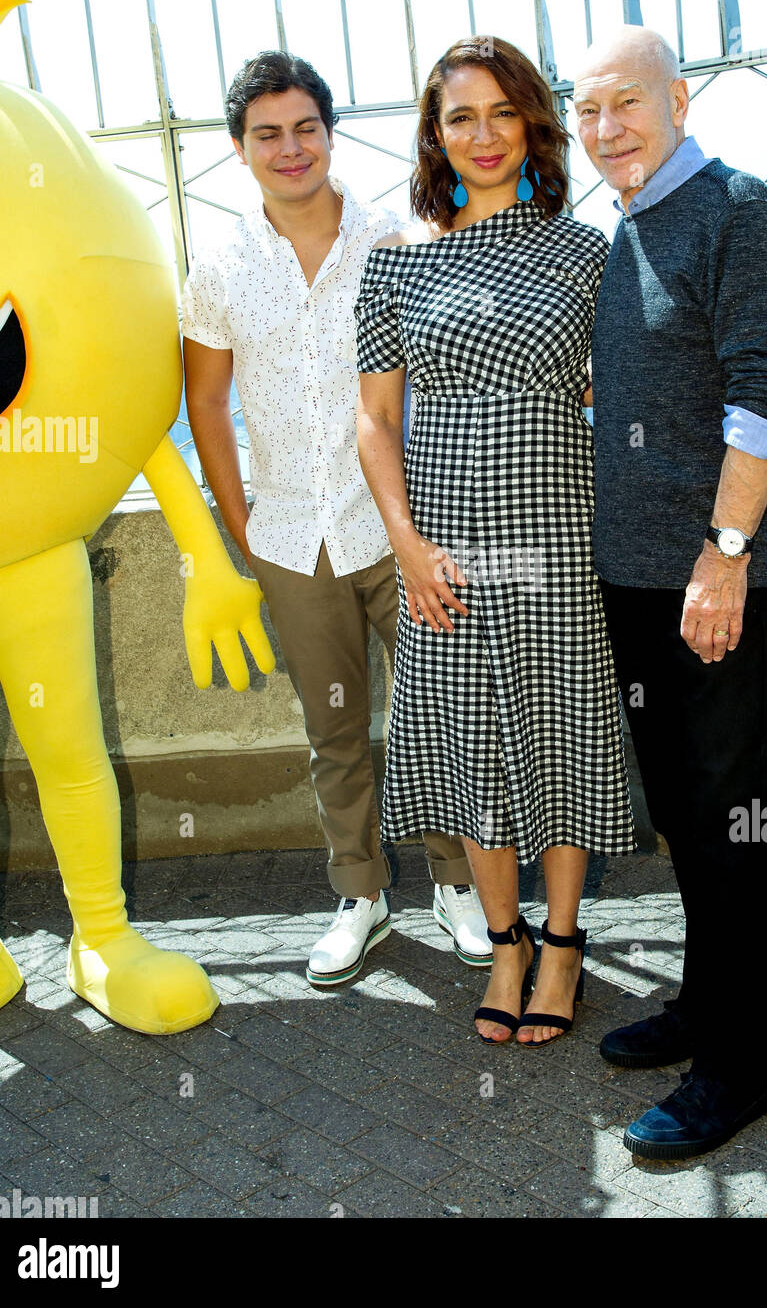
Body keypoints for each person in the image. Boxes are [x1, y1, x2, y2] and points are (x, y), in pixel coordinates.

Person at [180, 50, 490, 986]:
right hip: (289, 541)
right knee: (336, 732)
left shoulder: (398, 241)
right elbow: (207, 408)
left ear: (330, 131)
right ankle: (360, 896)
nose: (290, 148)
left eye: (305, 128)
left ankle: (458, 885)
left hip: (402, 528)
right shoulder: (222, 266)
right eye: (267, 134)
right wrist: (241, 528)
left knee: (444, 718)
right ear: (240, 149)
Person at [355, 35, 637, 1046]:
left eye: (500, 114)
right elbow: (375, 421)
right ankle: (504, 938)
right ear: (434, 136)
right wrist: (405, 544)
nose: (481, 136)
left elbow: (622, 390)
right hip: (441, 550)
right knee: (471, 744)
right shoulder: (394, 265)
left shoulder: (585, 252)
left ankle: (561, 944)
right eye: (459, 117)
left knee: (559, 735)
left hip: (557, 536)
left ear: (530, 125)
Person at [573, 26, 767, 1156]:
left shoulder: (735, 206)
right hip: (635, 579)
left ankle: (744, 1061)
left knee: (731, 823)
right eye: (586, 111)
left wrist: (723, 550)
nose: (605, 128)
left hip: (721, 580)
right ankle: (709, 1001)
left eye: (624, 103)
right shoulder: (620, 230)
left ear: (674, 96)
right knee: (682, 814)